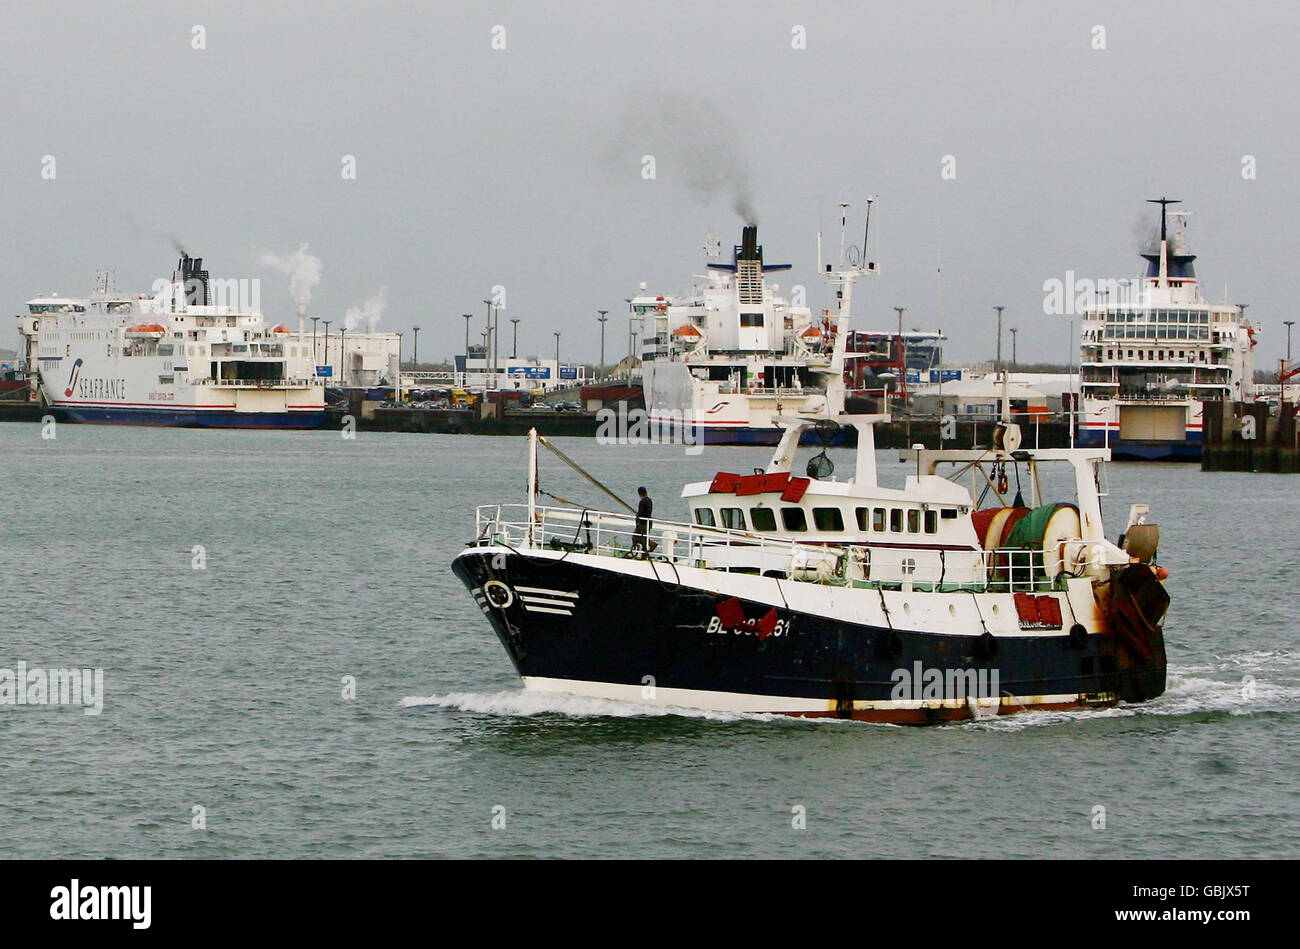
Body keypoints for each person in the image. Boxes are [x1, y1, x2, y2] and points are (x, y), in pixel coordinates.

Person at [631, 486, 654, 556]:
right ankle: (644, 554)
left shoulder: (642, 501)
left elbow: (640, 513)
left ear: (639, 493)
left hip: (643, 524)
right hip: (648, 523)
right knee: (643, 537)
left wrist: (637, 518)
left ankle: (651, 545)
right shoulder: (649, 500)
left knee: (636, 537)